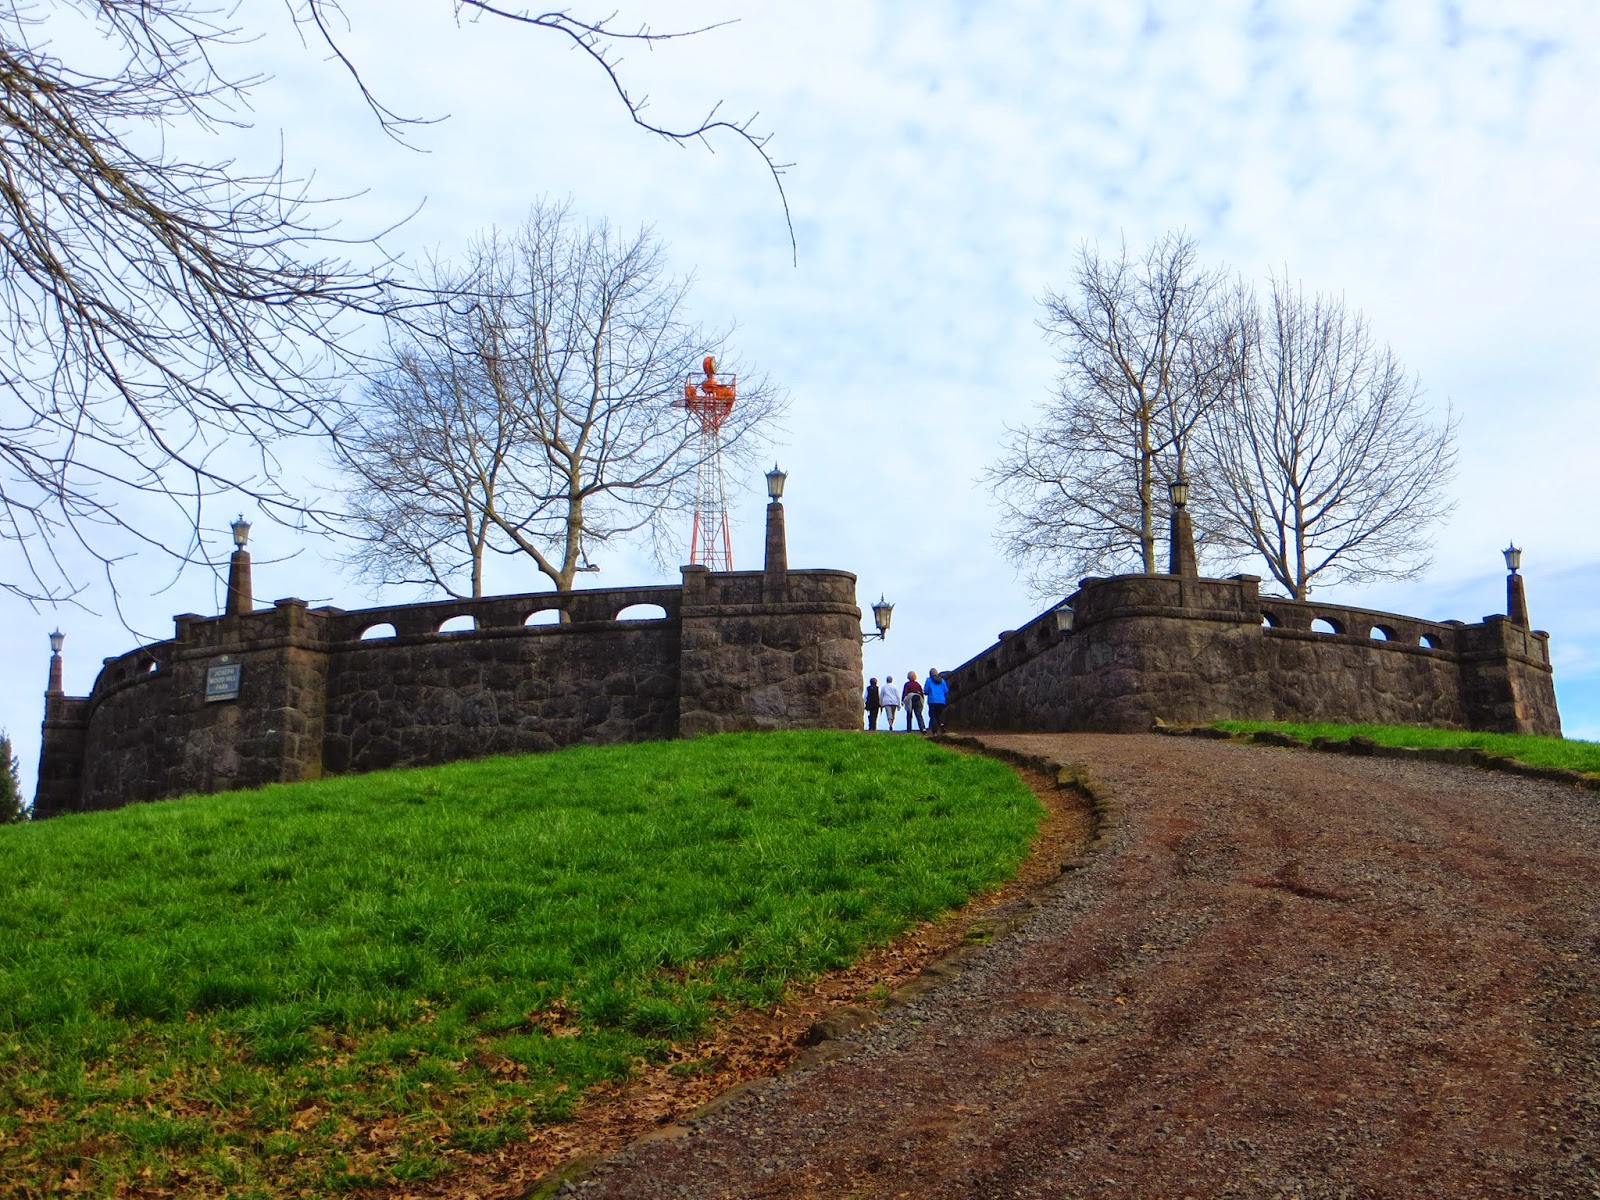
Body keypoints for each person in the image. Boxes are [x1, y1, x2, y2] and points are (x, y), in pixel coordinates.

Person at [924, 668, 950, 735]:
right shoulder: (942, 681)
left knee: (933, 716)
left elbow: (926, 691)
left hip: (932, 700)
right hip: (941, 701)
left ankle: (934, 732)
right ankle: (942, 725)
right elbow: (946, 690)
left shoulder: (929, 680)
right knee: (940, 715)